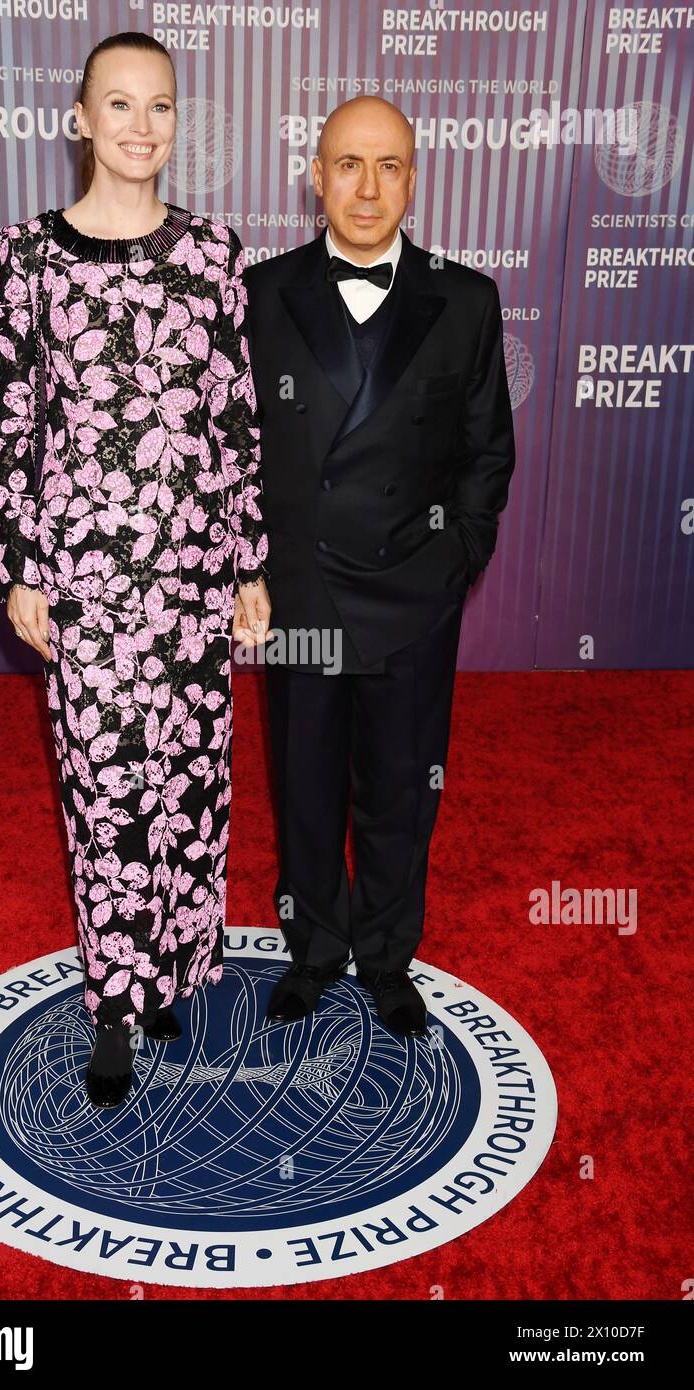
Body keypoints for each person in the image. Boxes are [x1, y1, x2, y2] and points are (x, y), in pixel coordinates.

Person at [0, 32, 270, 1109]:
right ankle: (113, 999)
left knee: (191, 778)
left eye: (159, 107)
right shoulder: (25, 258)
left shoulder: (213, 255)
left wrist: (248, 562)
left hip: (194, 568)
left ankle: (178, 969)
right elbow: (16, 424)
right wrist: (22, 566)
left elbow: (236, 419)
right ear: (80, 120)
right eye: (119, 105)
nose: (142, 128)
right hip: (85, 576)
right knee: (104, 789)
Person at [243, 96, 515, 1036]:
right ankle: (315, 948)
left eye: (388, 165)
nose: (366, 188)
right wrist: (252, 573)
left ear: (413, 178)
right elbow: (231, 448)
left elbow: (488, 453)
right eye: (347, 165)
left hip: (411, 594)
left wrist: (455, 563)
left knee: (401, 786)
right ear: (314, 176)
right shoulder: (260, 295)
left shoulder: (466, 300)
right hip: (303, 595)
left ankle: (389, 956)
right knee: (306, 782)